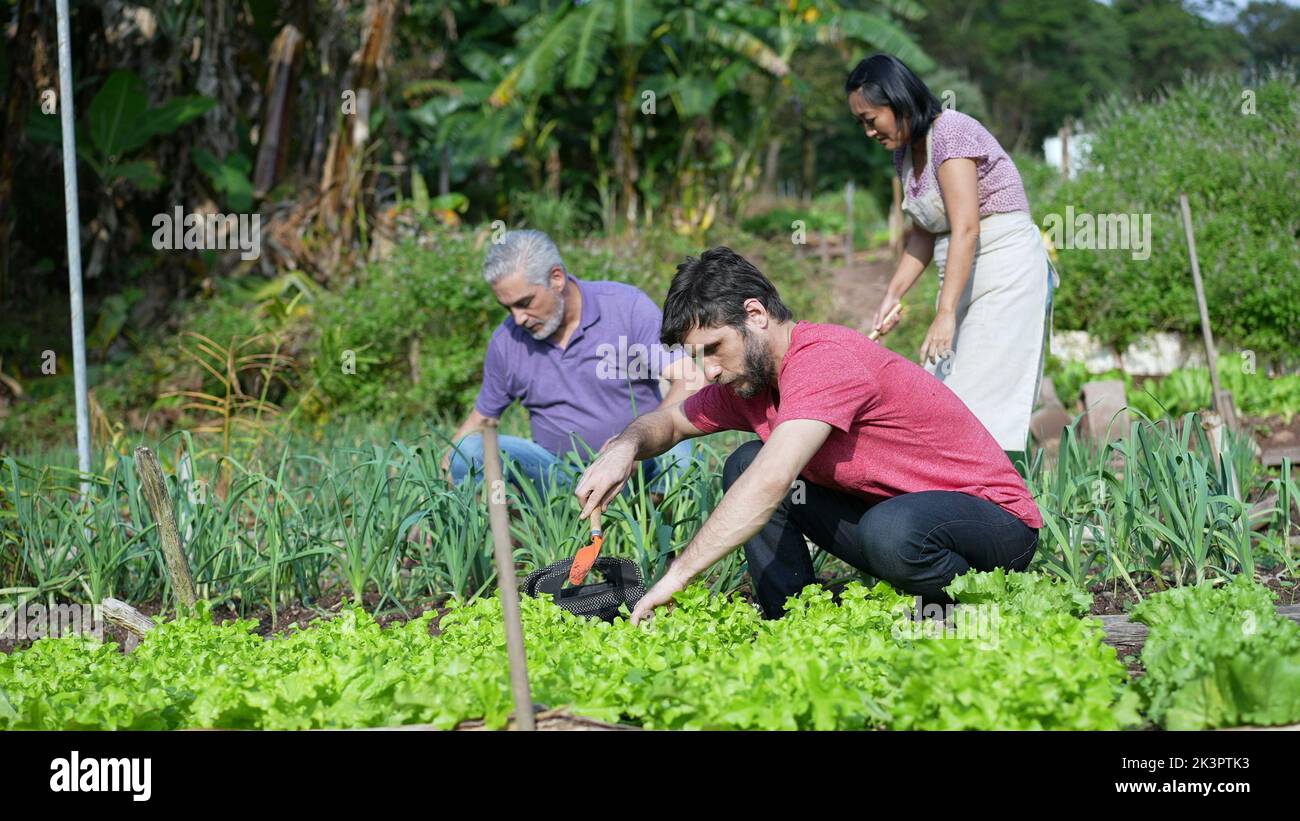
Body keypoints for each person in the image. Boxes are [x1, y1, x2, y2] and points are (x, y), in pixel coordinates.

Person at [574, 248, 1042, 624]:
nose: (709, 370)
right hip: (899, 524)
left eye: (715, 349)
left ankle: (970, 611)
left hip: (992, 526)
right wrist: (625, 447)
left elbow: (774, 479)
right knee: (743, 464)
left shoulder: (823, 360)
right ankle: (793, 622)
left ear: (754, 314)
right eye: (700, 356)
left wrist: (678, 575)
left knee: (884, 527)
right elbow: (672, 421)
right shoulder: (750, 380)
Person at [845, 53, 1058, 469]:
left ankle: (1003, 505)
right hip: (963, 269)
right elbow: (924, 232)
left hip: (1006, 267)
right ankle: (962, 497)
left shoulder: (952, 132)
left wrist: (944, 313)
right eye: (861, 123)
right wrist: (892, 295)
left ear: (900, 101)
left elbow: (966, 228)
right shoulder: (905, 154)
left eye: (872, 119)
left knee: (983, 393)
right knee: (943, 388)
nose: (868, 131)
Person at [443, 229, 701, 493]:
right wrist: (439, 481)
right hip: (559, 475)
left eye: (525, 303)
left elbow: (690, 379)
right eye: (508, 308)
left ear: (557, 278)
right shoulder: (508, 341)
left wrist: (631, 442)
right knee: (468, 451)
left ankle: (663, 517)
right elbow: (483, 420)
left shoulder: (626, 307)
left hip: (641, 462)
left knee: (680, 424)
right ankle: (527, 523)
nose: (518, 318)